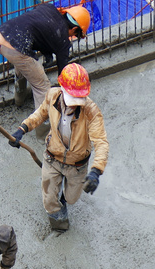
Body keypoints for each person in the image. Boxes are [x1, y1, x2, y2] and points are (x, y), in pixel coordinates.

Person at [9, 63, 108, 231]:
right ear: (62, 89)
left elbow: (101, 142)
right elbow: (40, 113)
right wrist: (22, 128)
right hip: (52, 157)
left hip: (77, 165)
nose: (74, 104)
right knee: (49, 200)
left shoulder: (91, 111)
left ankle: (64, 197)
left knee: (71, 199)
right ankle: (59, 223)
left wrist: (96, 171)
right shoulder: (52, 96)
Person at [0, 4, 91, 110]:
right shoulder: (63, 40)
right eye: (76, 34)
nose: (72, 37)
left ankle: (20, 98)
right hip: (14, 47)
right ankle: (43, 123)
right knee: (42, 85)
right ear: (74, 28)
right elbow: (63, 74)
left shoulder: (49, 8)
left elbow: (38, 27)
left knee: (24, 65)